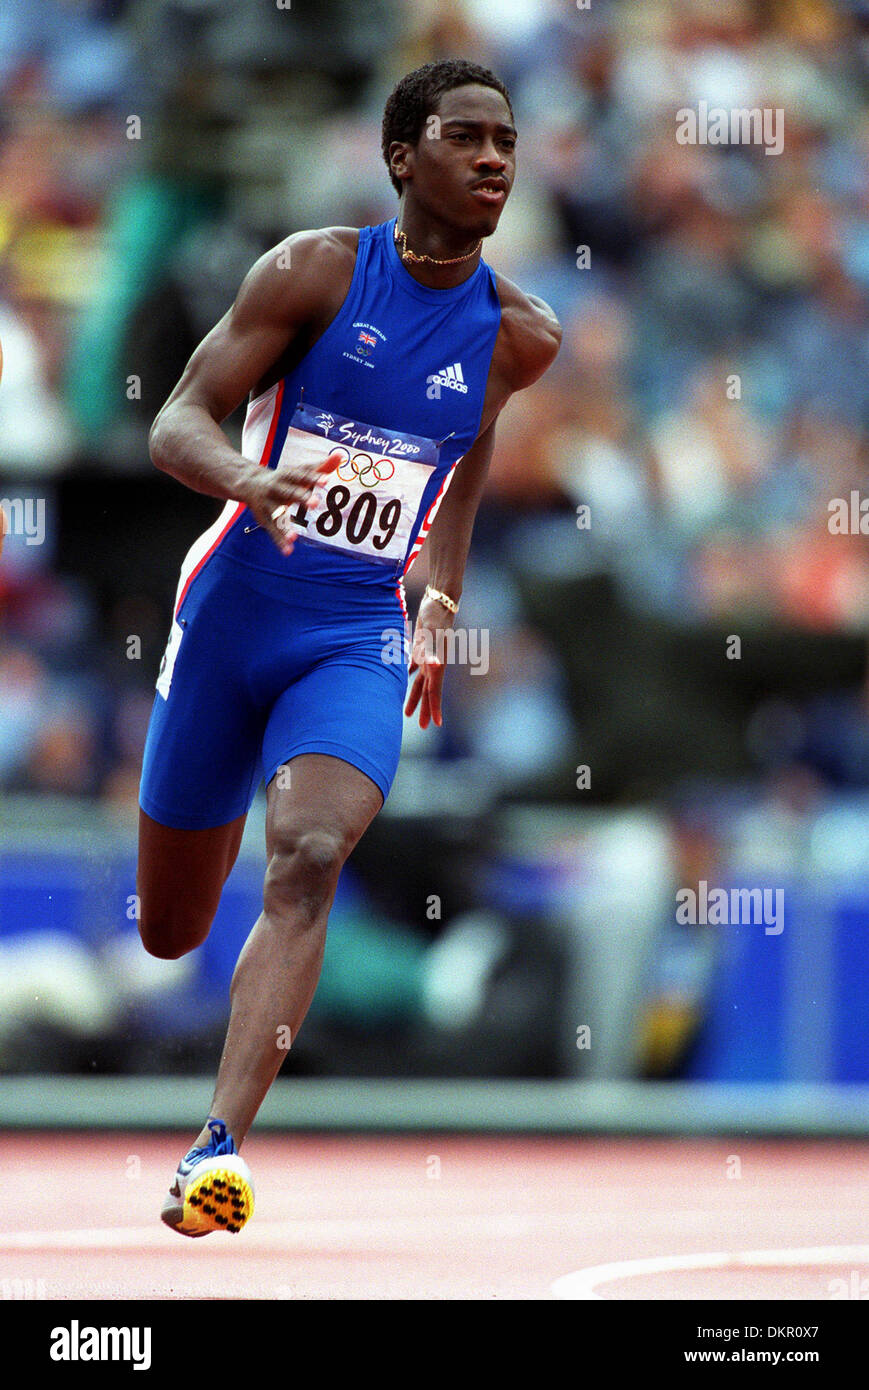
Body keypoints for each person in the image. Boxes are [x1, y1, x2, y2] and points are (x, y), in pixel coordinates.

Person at [138, 58, 561, 1236]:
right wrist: (243, 476)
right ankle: (195, 851)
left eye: (506, 142)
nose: (493, 159)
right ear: (400, 157)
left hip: (353, 632)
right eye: (466, 137)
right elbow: (174, 417)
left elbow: (462, 472)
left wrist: (436, 598)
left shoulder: (519, 337)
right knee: (169, 927)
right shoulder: (313, 271)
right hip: (230, 615)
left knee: (310, 852)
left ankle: (215, 1152)